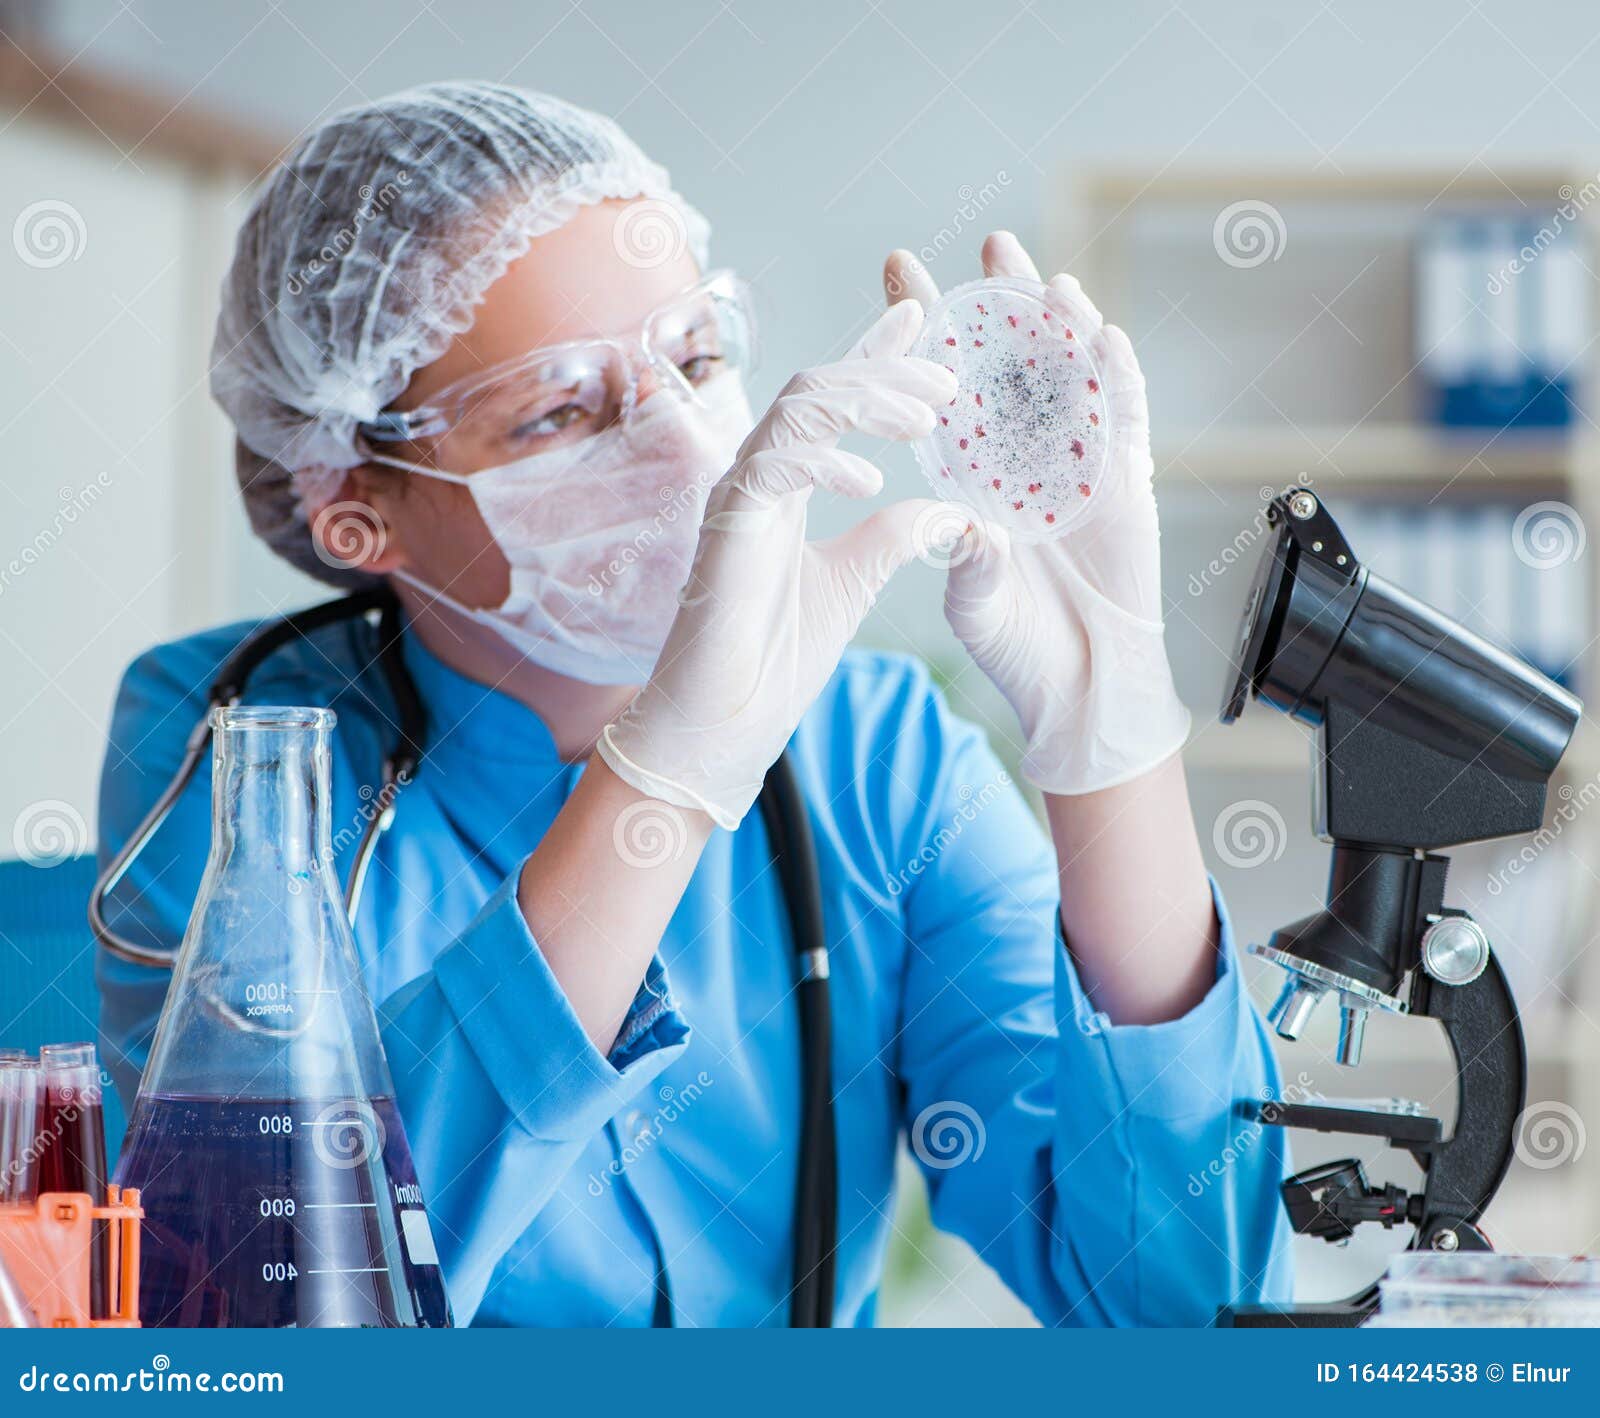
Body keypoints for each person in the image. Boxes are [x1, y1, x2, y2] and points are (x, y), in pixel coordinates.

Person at [97, 81, 1291, 1327]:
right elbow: (256, 1319)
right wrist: (662, 778)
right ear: (358, 504)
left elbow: (1181, 1314)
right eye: (560, 407)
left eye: (696, 356)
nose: (686, 447)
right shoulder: (241, 745)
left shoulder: (876, 751)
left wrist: (1114, 746)